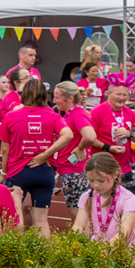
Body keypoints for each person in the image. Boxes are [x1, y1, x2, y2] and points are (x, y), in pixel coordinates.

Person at [0, 78, 73, 236]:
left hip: (17, 172)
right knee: (41, 221)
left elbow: (5, 150)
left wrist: (3, 174)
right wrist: (45, 155)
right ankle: (44, 258)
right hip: (44, 172)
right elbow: (68, 135)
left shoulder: (11, 117)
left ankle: (14, 256)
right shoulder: (52, 115)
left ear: (23, 95)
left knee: (14, 218)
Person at [71, 153, 135, 245]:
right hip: (98, 250)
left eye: (101, 180)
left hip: (125, 253)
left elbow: (124, 234)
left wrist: (105, 251)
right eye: (91, 180)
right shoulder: (87, 197)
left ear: (115, 175)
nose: (95, 185)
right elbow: (78, 227)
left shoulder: (128, 199)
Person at [51, 81, 100, 209]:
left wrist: (80, 148)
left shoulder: (77, 114)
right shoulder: (70, 114)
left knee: (78, 213)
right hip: (70, 169)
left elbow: (90, 136)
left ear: (70, 98)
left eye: (57, 97)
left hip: (75, 171)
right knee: (77, 212)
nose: (54, 101)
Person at [90, 82, 135, 191]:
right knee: (104, 204)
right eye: (118, 94)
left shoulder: (129, 112)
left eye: (125, 95)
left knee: (129, 205)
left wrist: (130, 134)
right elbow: (90, 138)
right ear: (108, 94)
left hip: (125, 168)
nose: (121, 98)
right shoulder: (97, 111)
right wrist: (108, 147)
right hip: (103, 169)